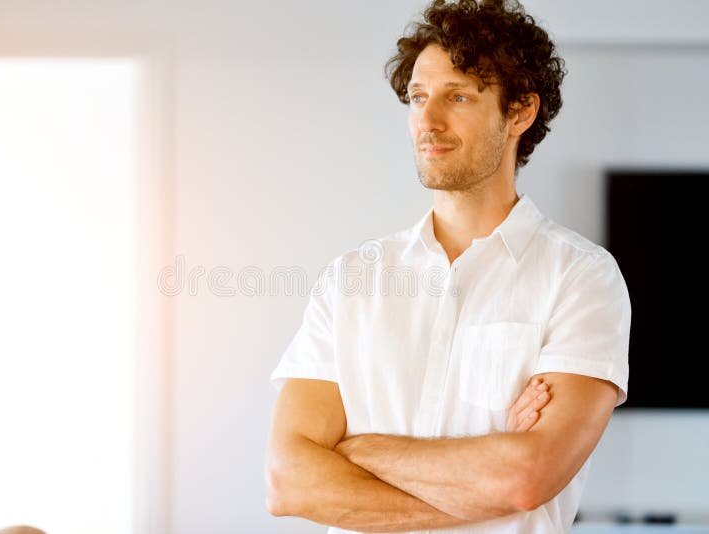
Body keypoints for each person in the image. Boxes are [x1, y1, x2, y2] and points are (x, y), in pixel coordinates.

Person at [264, 0, 630, 532]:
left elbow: (525, 479)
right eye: (417, 98)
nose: (427, 122)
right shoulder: (351, 281)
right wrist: (481, 480)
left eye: (457, 96)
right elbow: (286, 481)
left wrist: (355, 449)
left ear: (520, 112)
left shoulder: (581, 278)